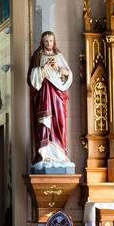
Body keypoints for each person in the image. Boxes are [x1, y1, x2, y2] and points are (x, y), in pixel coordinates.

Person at [27, 30, 72, 165]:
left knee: (60, 123)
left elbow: (68, 75)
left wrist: (58, 68)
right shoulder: (37, 56)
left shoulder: (59, 56)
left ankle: (60, 154)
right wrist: (42, 68)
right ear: (42, 42)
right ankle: (44, 154)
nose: (49, 43)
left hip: (58, 96)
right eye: (46, 41)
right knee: (44, 122)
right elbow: (31, 78)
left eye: (51, 41)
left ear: (54, 41)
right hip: (44, 95)